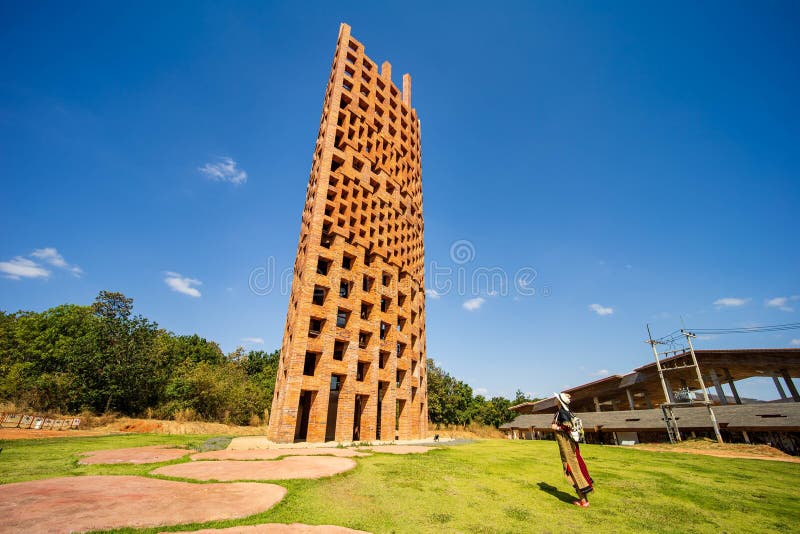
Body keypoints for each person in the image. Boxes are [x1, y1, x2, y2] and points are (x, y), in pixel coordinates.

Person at [550, 392, 594, 507]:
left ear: (560, 401)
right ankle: (584, 499)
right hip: (569, 445)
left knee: (572, 469)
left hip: (567, 445)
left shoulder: (562, 412)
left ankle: (583, 501)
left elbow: (567, 426)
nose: (555, 400)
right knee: (575, 467)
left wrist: (557, 427)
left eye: (556, 398)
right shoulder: (565, 411)